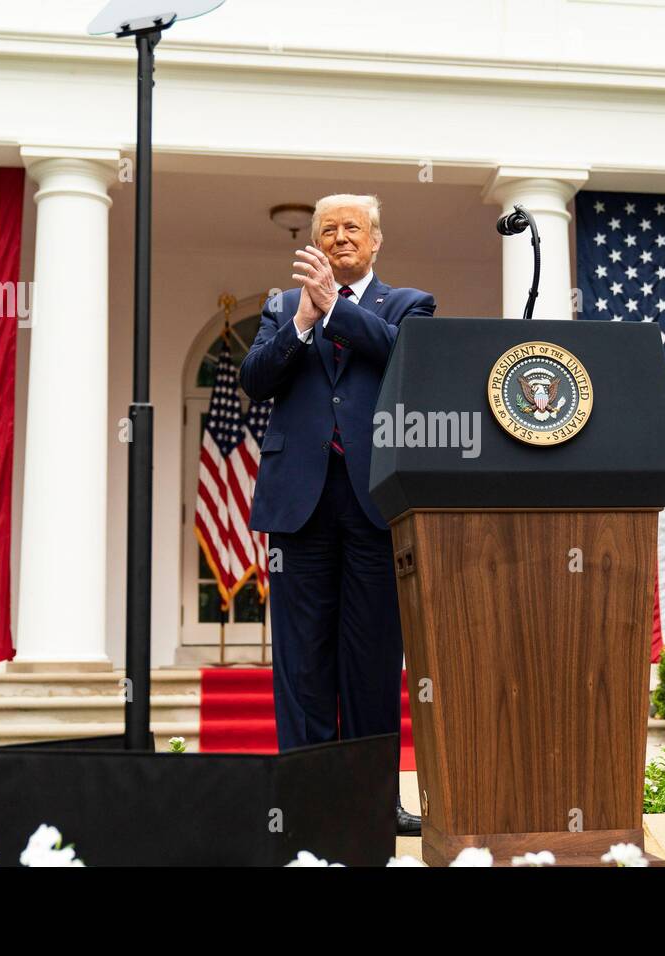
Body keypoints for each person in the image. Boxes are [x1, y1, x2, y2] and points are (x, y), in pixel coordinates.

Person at [240, 193, 436, 836]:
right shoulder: (278, 307)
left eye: (353, 227)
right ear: (314, 243)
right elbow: (256, 380)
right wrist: (301, 322)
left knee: (374, 657)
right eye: (329, 229)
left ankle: (373, 799)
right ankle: (306, 797)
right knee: (300, 661)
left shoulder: (410, 304)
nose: (340, 237)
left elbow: (407, 361)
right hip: (298, 506)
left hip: (374, 502)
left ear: (376, 239)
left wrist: (333, 311)